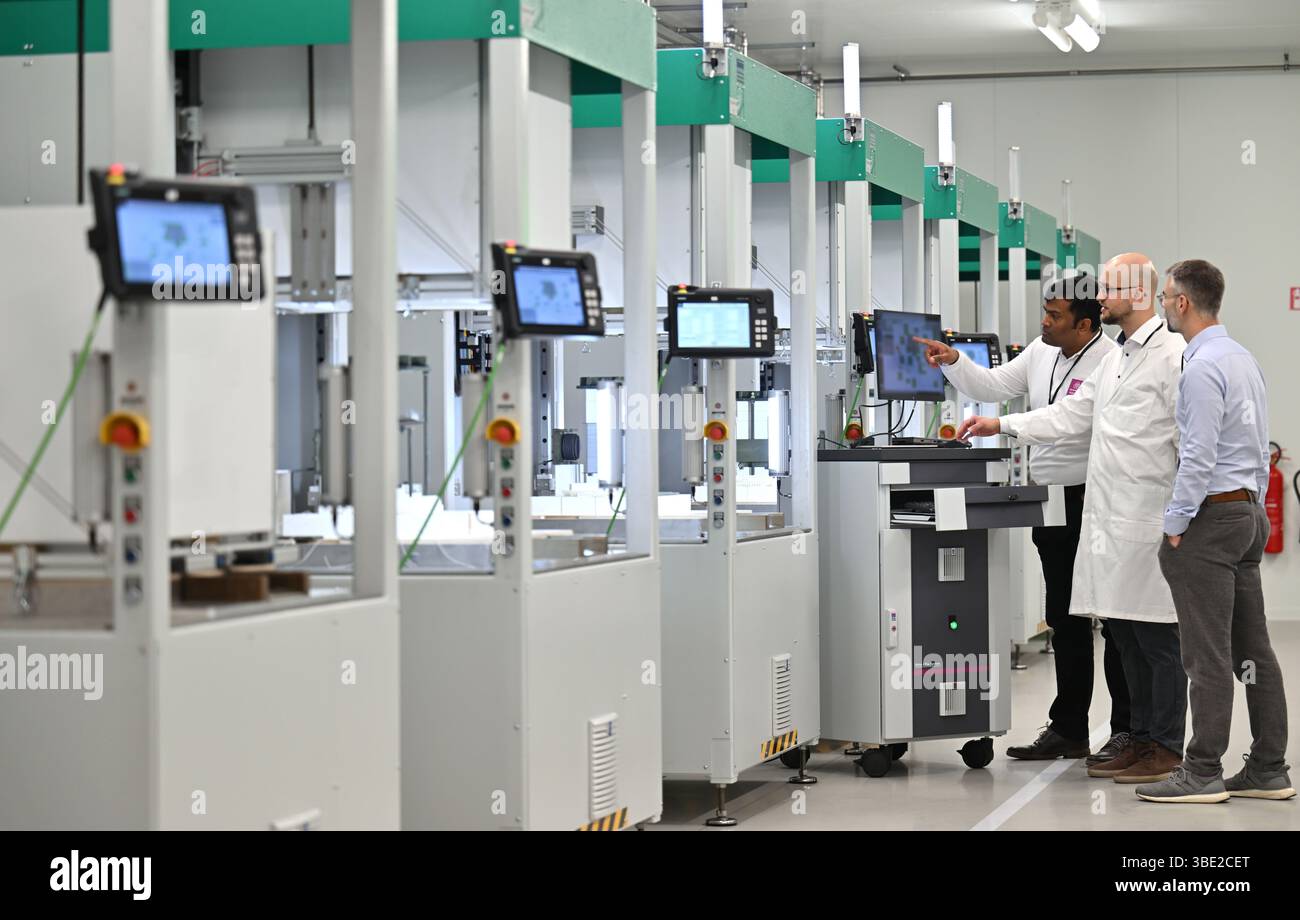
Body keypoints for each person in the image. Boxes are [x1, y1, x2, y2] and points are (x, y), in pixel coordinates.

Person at [957, 253, 1187, 785]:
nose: (1100, 295)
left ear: (1134, 293)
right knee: (1120, 628)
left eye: (1107, 288)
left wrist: (1183, 511)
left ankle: (1164, 745)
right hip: (1107, 515)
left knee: (1153, 635)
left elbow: (1189, 438)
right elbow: (1072, 414)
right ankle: (1139, 738)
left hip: (1146, 515)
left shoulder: (1171, 354)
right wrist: (1002, 421)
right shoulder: (1120, 358)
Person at [914, 274, 1130, 764]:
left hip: (1095, 501)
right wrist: (955, 362)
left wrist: (1003, 424)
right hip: (1051, 500)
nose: (1044, 322)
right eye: (1045, 312)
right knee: (1064, 617)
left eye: (1054, 316)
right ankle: (1069, 729)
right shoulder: (1042, 349)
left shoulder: (1111, 361)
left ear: (1086, 324)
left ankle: (1128, 732)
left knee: (1116, 620)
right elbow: (993, 385)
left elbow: (1070, 417)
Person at [1135, 260, 1294, 803]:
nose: (1160, 304)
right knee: (1253, 652)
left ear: (1182, 302)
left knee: (1205, 656)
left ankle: (1201, 769)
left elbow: (1198, 455)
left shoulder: (1200, 366)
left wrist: (1176, 524)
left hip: (1210, 520)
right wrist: (1256, 512)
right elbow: (1255, 441)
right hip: (1245, 514)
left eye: (1164, 297)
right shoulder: (1243, 359)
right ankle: (1269, 766)